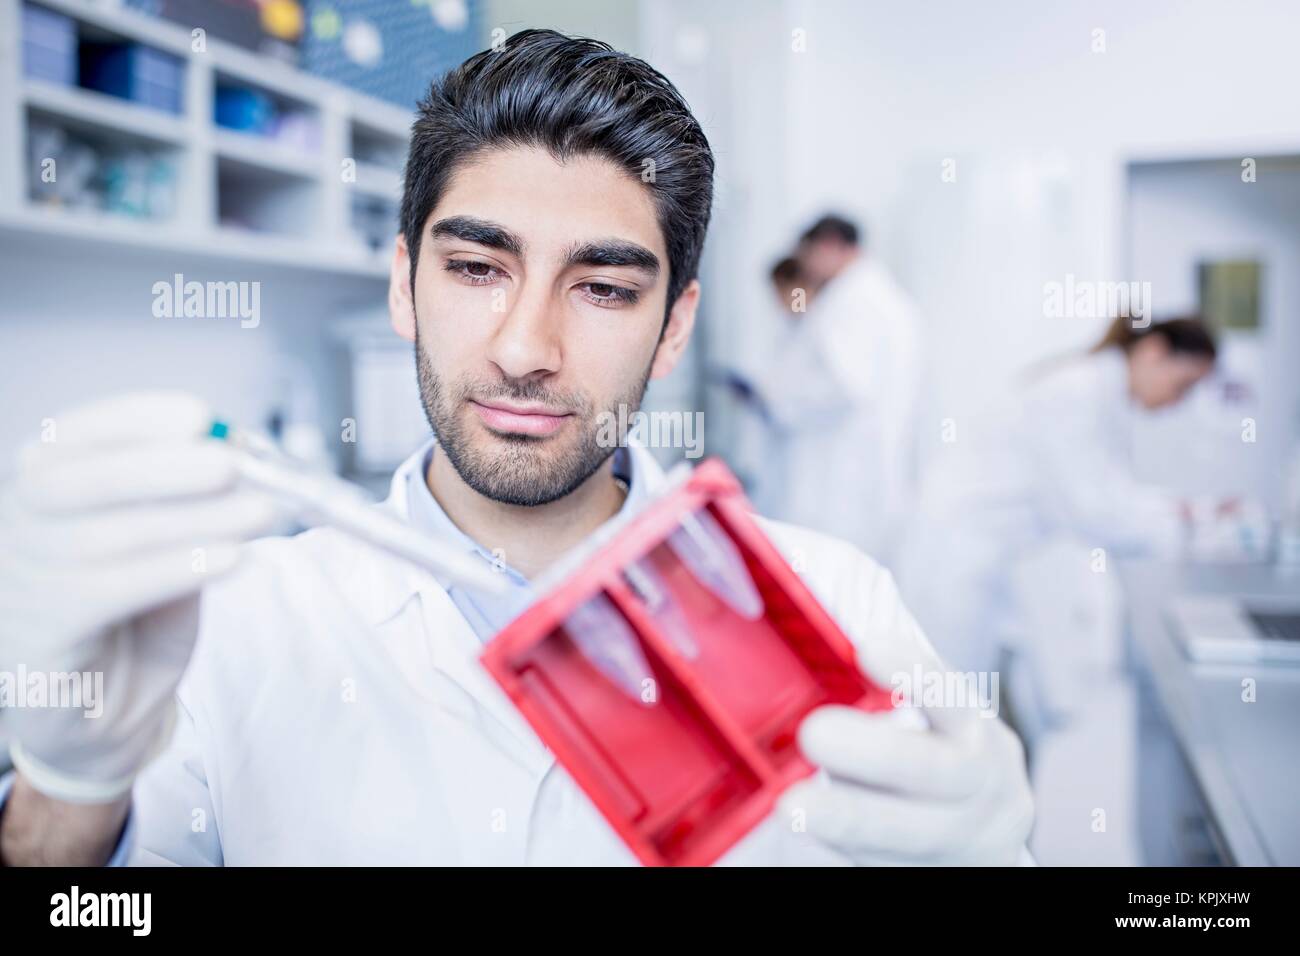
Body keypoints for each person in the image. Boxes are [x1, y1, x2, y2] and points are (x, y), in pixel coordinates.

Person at [0, 31, 1031, 866]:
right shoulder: (235, 619)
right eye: (478, 268)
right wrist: (68, 794)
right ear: (405, 284)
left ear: (673, 327)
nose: (525, 350)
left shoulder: (838, 604)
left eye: (605, 288)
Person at [895, 315, 1219, 720]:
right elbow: (1092, 510)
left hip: (978, 558)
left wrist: (1185, 512)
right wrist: (1187, 526)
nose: (1177, 402)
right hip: (953, 558)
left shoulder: (1097, 392)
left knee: (968, 705)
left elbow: (1108, 492)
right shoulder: (1076, 392)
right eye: (1183, 386)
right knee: (945, 709)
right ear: (1154, 351)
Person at [748, 215, 923, 562]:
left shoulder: (853, 302)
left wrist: (778, 400)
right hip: (863, 472)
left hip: (842, 477)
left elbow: (845, 387)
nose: (807, 268)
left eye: (808, 254)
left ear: (828, 246)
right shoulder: (880, 297)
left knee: (832, 578)